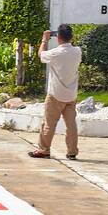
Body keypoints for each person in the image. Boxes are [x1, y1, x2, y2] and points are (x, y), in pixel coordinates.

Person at [31, 24, 81, 160]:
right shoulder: (77, 51)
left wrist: (44, 40)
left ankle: (44, 149)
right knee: (71, 125)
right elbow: (71, 46)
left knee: (48, 123)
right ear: (71, 37)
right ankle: (72, 151)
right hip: (71, 94)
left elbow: (41, 55)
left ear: (58, 37)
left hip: (55, 94)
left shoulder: (56, 53)